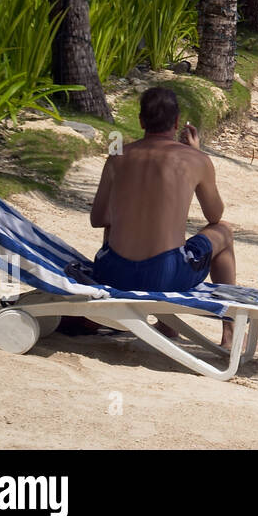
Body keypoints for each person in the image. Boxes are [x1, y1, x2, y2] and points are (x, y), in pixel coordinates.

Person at [89, 86, 237, 344]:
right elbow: (214, 214)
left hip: (113, 273)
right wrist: (198, 154)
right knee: (223, 230)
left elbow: (98, 219)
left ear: (141, 120)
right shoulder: (194, 159)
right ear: (178, 122)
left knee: (114, 226)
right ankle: (231, 333)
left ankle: (168, 326)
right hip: (166, 275)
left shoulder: (117, 156)